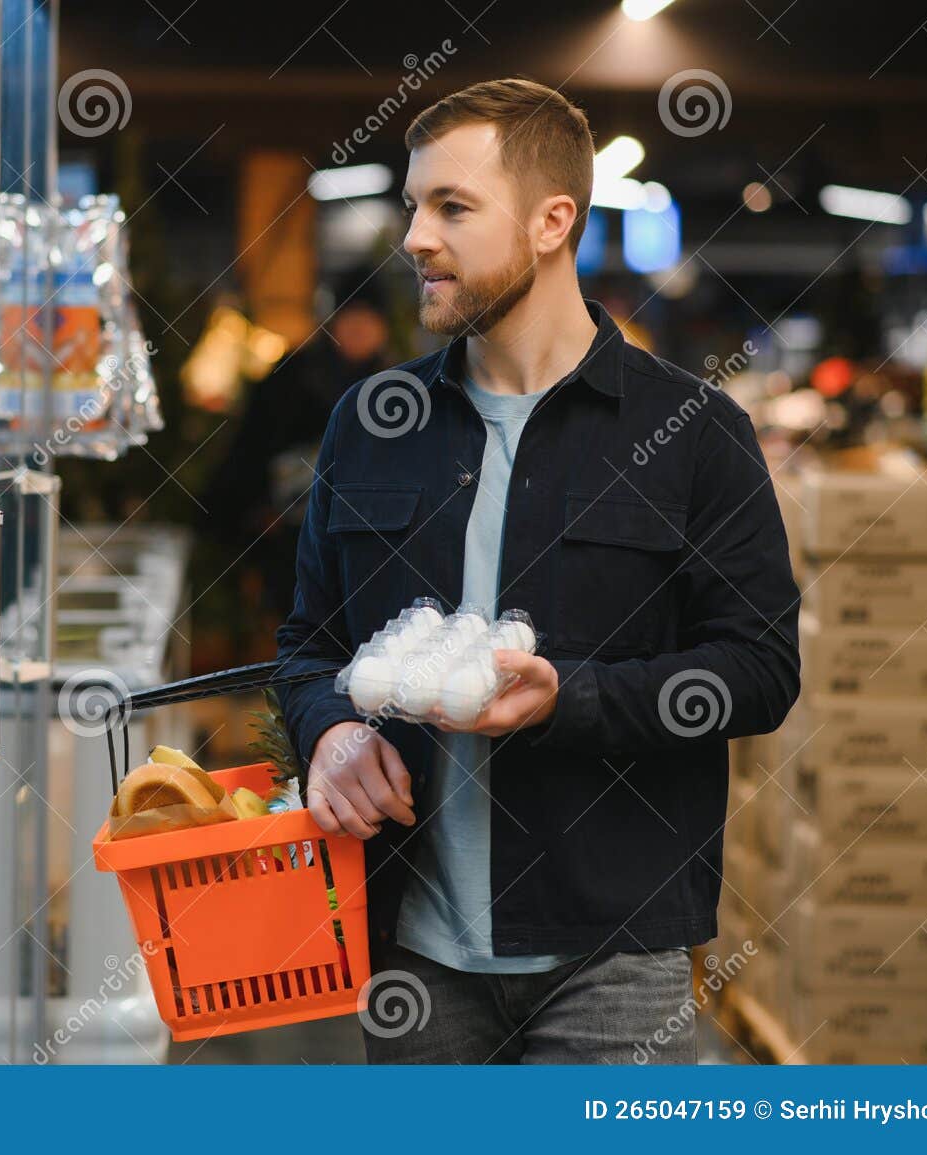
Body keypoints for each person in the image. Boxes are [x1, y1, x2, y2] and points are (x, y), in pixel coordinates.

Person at [273, 77, 800, 1064]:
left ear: (553, 220)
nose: (415, 238)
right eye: (413, 207)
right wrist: (330, 730)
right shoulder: (374, 425)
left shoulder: (691, 433)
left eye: (452, 208)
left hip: (612, 963)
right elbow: (308, 646)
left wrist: (573, 699)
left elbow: (759, 670)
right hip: (412, 960)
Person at [201, 270, 393, 631]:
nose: (360, 331)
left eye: (370, 321)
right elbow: (253, 445)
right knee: (300, 628)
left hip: (366, 535)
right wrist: (262, 512)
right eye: (352, 319)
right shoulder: (293, 373)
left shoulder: (393, 384)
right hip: (292, 531)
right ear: (334, 322)